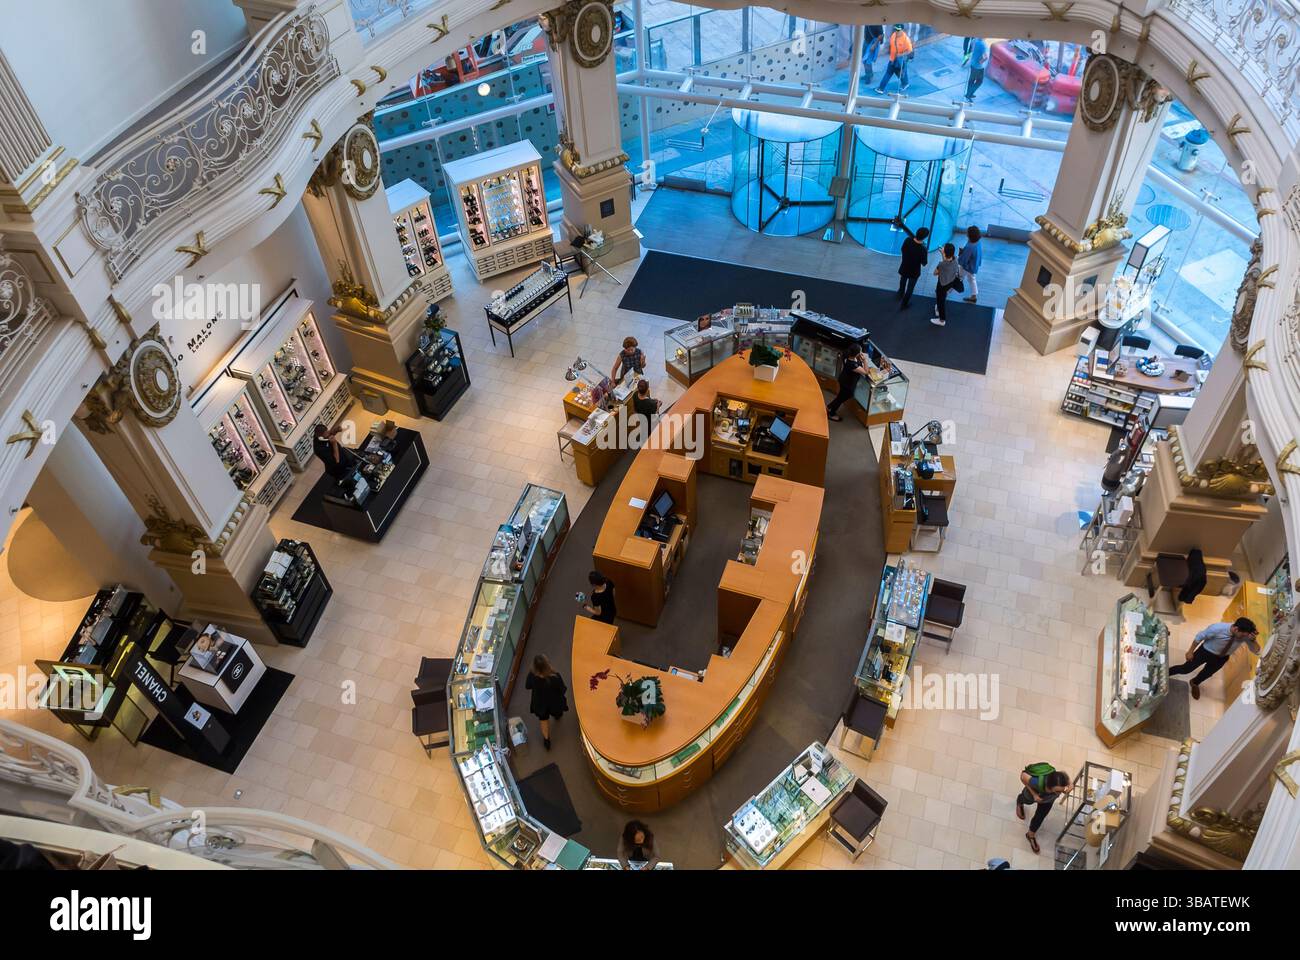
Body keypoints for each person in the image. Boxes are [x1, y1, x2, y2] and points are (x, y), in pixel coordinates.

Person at [1169, 617, 1261, 700]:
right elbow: (1199, 637)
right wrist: (1190, 651)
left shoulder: (1244, 636)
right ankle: (1166, 673)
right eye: (1243, 635)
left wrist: (1253, 640)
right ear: (1236, 629)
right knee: (1186, 669)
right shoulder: (1217, 628)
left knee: (1206, 674)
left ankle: (1194, 683)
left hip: (1222, 658)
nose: (1243, 638)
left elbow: (1257, 651)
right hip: (1205, 652)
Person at [1016, 763, 1071, 854]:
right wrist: (1034, 794)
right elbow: (1023, 776)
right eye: (1057, 791)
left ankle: (1030, 835)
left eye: (1062, 791)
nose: (1059, 794)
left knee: (1040, 817)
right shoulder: (1036, 782)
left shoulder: (1059, 780)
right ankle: (1019, 802)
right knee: (1025, 799)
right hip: (1033, 794)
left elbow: (1064, 774)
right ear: (1049, 786)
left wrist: (1070, 784)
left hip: (1048, 800)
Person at [524, 655, 568, 750]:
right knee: (557, 712)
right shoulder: (555, 676)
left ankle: (547, 741)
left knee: (543, 720)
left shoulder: (532, 676)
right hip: (554, 702)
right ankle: (557, 716)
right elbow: (563, 689)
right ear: (547, 664)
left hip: (540, 703)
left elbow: (527, 686)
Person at [826, 346, 868, 422]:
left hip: (843, 380)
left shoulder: (846, 356)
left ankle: (829, 407)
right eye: (860, 352)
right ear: (857, 354)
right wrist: (865, 360)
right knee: (840, 399)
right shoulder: (852, 364)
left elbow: (857, 364)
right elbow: (866, 372)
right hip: (848, 385)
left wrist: (859, 359)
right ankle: (831, 414)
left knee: (840, 397)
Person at [894, 220, 929, 309]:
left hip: (905, 266)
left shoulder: (908, 240)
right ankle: (904, 304)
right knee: (910, 288)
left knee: (903, 280)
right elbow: (924, 263)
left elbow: (902, 250)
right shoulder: (923, 249)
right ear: (924, 237)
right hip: (914, 271)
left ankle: (900, 293)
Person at [874, 24, 913, 95]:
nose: (896, 31)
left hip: (899, 60)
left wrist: (900, 55)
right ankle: (905, 83)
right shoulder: (894, 35)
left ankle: (881, 88)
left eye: (898, 30)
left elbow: (910, 50)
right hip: (892, 59)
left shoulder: (906, 40)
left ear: (902, 30)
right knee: (897, 73)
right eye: (896, 29)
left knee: (893, 73)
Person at [932, 243, 961, 326]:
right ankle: (938, 309)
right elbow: (947, 262)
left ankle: (942, 320)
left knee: (941, 300)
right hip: (950, 282)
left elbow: (935, 273)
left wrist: (940, 269)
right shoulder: (955, 259)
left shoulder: (941, 264)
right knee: (942, 296)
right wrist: (943, 253)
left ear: (945, 253)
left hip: (942, 284)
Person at [957, 225, 982, 303]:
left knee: (958, 278)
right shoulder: (977, 242)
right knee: (972, 279)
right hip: (973, 266)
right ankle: (974, 296)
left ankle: (946, 291)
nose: (966, 233)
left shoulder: (970, 246)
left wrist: (960, 255)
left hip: (966, 267)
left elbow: (963, 259)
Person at [965, 37, 989, 102]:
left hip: (972, 63)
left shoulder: (974, 40)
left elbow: (972, 49)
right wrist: (980, 62)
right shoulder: (983, 45)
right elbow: (985, 57)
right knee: (979, 81)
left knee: (971, 80)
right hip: (978, 67)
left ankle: (969, 93)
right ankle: (969, 94)